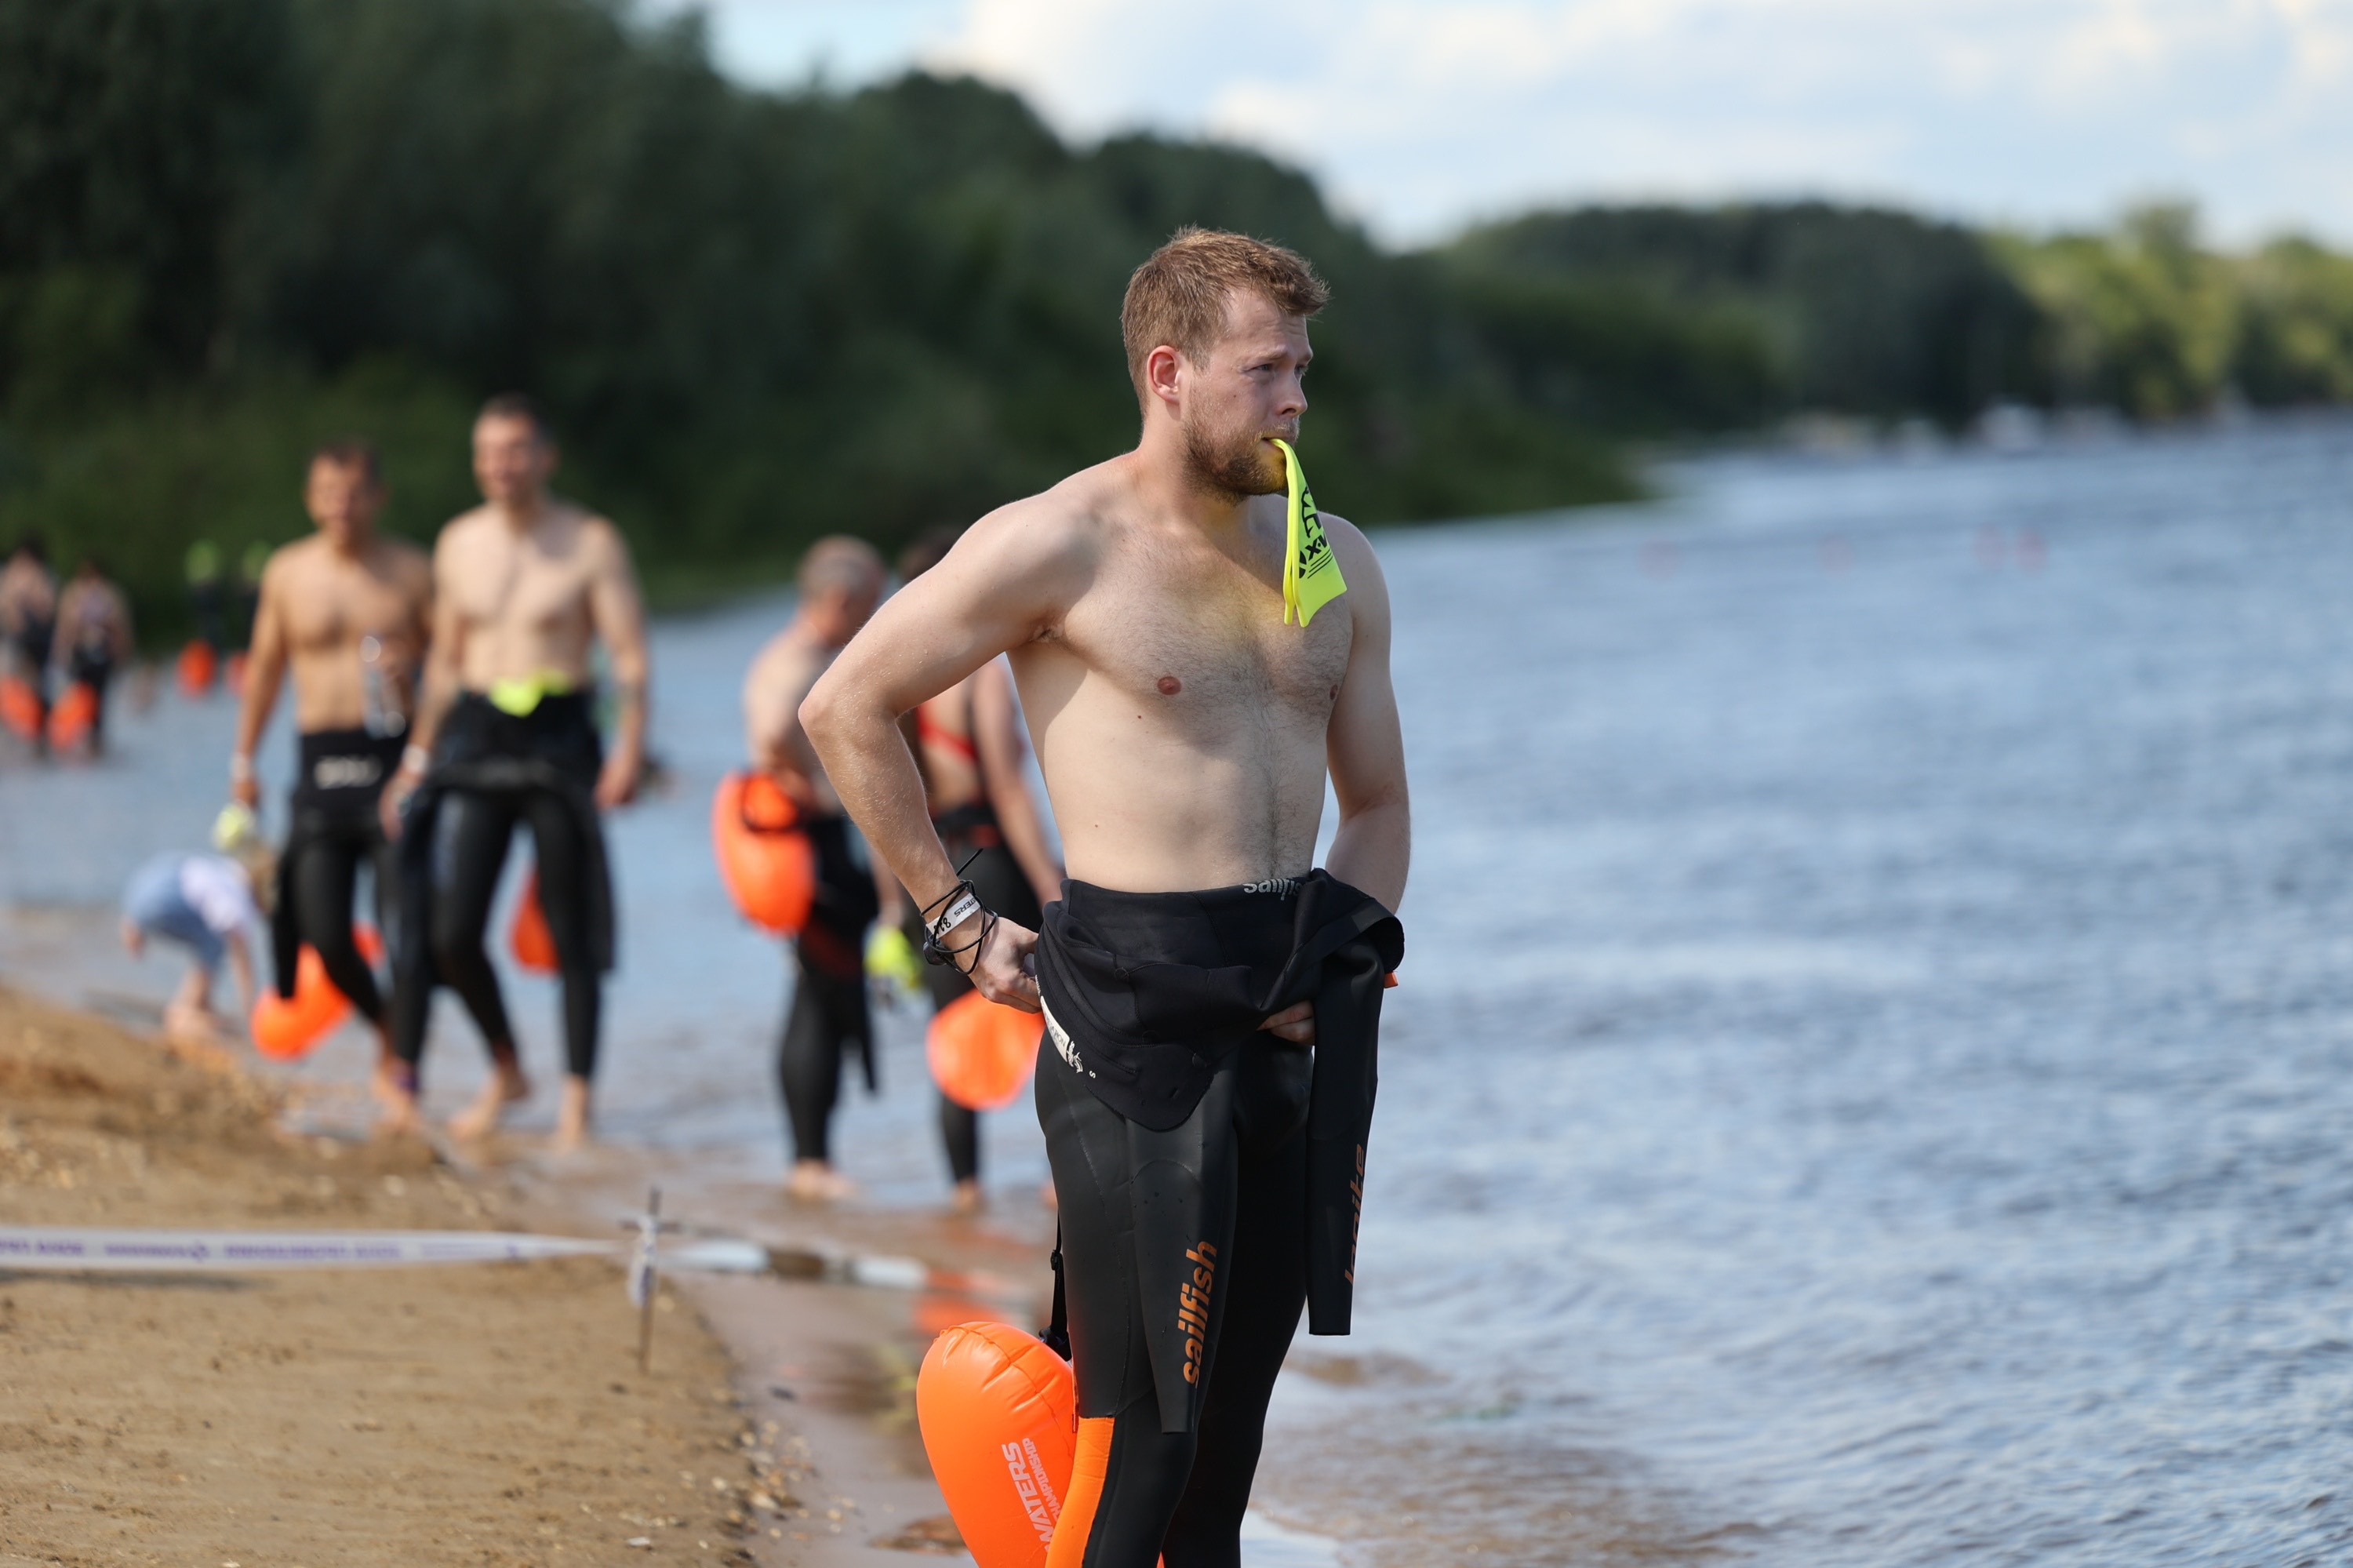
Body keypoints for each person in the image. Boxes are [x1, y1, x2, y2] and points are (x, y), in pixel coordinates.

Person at [803, 229, 1409, 1566]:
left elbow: (1379, 805)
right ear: (1169, 372)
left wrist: (1342, 957)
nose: (1299, 396)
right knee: (1146, 1444)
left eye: (1304, 365)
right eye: (1268, 370)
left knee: (1228, 1457)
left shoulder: (1335, 555)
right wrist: (958, 918)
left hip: (1295, 1011)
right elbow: (844, 704)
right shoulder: (1058, 544)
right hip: (1133, 1022)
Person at [381, 394, 649, 1148]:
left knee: (572, 932)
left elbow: (629, 660)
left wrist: (628, 748)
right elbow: (442, 664)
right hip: (475, 739)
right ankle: (506, 1064)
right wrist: (414, 762)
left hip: (560, 743)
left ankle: (575, 1104)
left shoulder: (591, 541)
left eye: (515, 449)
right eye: (487, 451)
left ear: (545, 456)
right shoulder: (459, 541)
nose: (500, 464)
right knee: (450, 929)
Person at [230, 438, 432, 1114]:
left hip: (392, 762)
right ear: (310, 498)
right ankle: (384, 1027)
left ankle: (403, 1074)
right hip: (319, 766)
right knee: (323, 932)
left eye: (353, 492)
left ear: (379, 495)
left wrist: (419, 678)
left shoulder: (411, 571)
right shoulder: (288, 572)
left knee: (405, 928)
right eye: (327, 492)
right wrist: (243, 760)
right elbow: (264, 671)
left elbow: (456, 669)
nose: (340, 505)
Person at [895, 528, 1064, 1213]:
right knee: (1057, 1020)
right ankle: (1061, 1182)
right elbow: (1010, 787)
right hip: (994, 862)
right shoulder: (978, 675)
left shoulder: (903, 679)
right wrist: (1053, 881)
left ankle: (965, 1192)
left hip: (935, 867)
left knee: (953, 1031)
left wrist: (893, 906)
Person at [741, 536, 904, 1202]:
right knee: (817, 994)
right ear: (838, 602)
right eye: (869, 606)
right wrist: (812, 779)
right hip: (806, 845)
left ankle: (811, 1158)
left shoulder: (779, 652)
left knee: (822, 992)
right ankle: (809, 1161)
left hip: (791, 841)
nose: (874, 619)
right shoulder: (802, 661)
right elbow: (781, 728)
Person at [119, 846, 269, 1050]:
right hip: (161, 904)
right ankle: (184, 1010)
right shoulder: (238, 901)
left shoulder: (228, 870)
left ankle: (203, 1006)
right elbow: (242, 963)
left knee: (208, 925)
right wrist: (252, 1015)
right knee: (215, 940)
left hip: (143, 892)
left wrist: (133, 924)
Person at [52, 556, 133, 753]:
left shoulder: (105, 594)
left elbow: (120, 629)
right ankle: (87, 740)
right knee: (86, 699)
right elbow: (66, 628)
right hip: (84, 655)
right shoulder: (80, 593)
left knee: (96, 700)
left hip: (99, 655)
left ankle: (92, 742)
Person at [0, 538, 56, 740]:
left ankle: (37, 733)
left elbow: (47, 610)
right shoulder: (20, 574)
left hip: (34, 638)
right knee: (18, 685)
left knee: (34, 686)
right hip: (19, 639)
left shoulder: (39, 576)